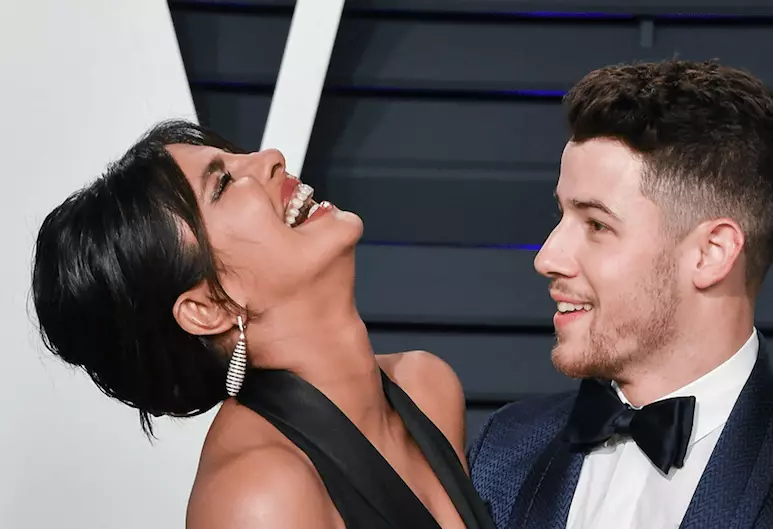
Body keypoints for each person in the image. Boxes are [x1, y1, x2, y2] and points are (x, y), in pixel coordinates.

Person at [467, 59, 773, 528]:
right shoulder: (503, 449)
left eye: (596, 224)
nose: (547, 256)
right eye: (562, 215)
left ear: (711, 253)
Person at [31, 120, 496, 529]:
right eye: (223, 185)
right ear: (206, 308)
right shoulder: (257, 498)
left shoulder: (426, 386)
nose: (271, 158)